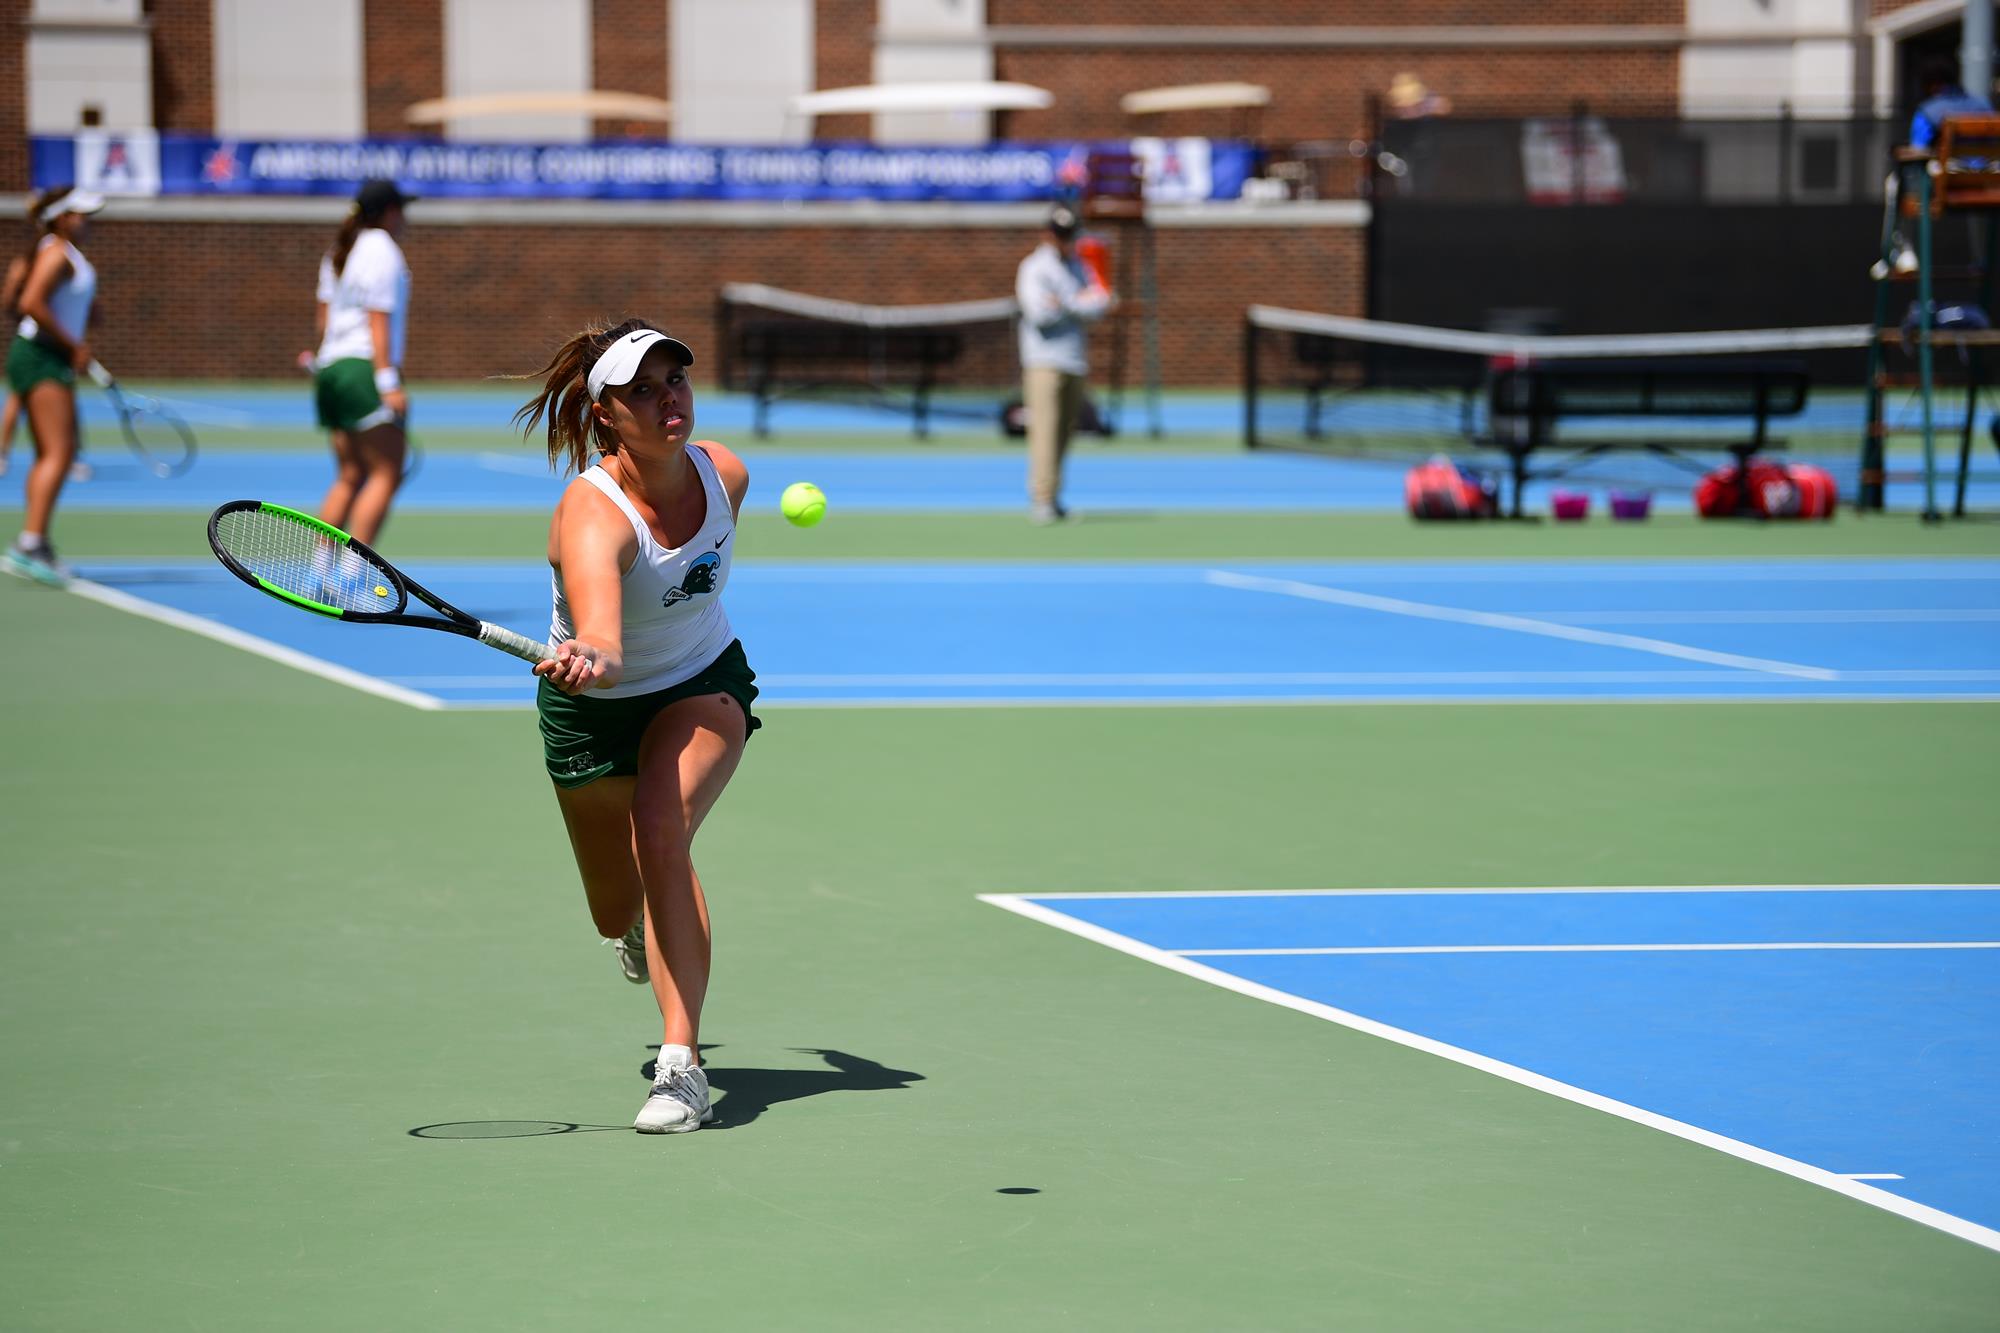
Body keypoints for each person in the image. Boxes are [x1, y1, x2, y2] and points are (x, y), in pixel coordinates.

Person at [511, 319, 759, 1134]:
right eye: (642, 392)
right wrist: (594, 656)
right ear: (607, 415)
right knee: (613, 904)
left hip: (701, 683)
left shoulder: (725, 472)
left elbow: (696, 582)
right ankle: (635, 929)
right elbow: (606, 639)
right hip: (591, 711)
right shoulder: (593, 517)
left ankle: (680, 1065)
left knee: (663, 831)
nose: (667, 402)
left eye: (675, 382)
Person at [4, 186, 105, 585]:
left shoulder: (64, 253)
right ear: (63, 217)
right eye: (81, 214)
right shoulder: (56, 252)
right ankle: (32, 542)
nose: (88, 222)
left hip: (45, 355)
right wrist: (72, 344)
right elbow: (30, 302)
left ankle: (35, 539)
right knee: (60, 452)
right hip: (42, 356)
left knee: (50, 452)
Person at [309, 179, 414, 546]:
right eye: (402, 210)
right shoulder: (383, 249)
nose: (405, 218)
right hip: (361, 369)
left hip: (331, 369)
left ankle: (320, 576)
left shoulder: (341, 248)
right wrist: (389, 383)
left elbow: (325, 317)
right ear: (389, 212)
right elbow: (377, 318)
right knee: (387, 472)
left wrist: (322, 355)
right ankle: (354, 577)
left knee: (350, 474)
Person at [1015, 204, 1111, 525]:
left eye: (1068, 235)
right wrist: (1077, 304)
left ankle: (1055, 497)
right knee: (1044, 430)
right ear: (1046, 234)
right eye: (1058, 235)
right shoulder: (1034, 268)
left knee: (1065, 433)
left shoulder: (1078, 265)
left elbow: (1100, 302)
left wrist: (1067, 304)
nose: (1064, 241)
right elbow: (1039, 314)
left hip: (1074, 360)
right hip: (1043, 361)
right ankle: (1041, 499)